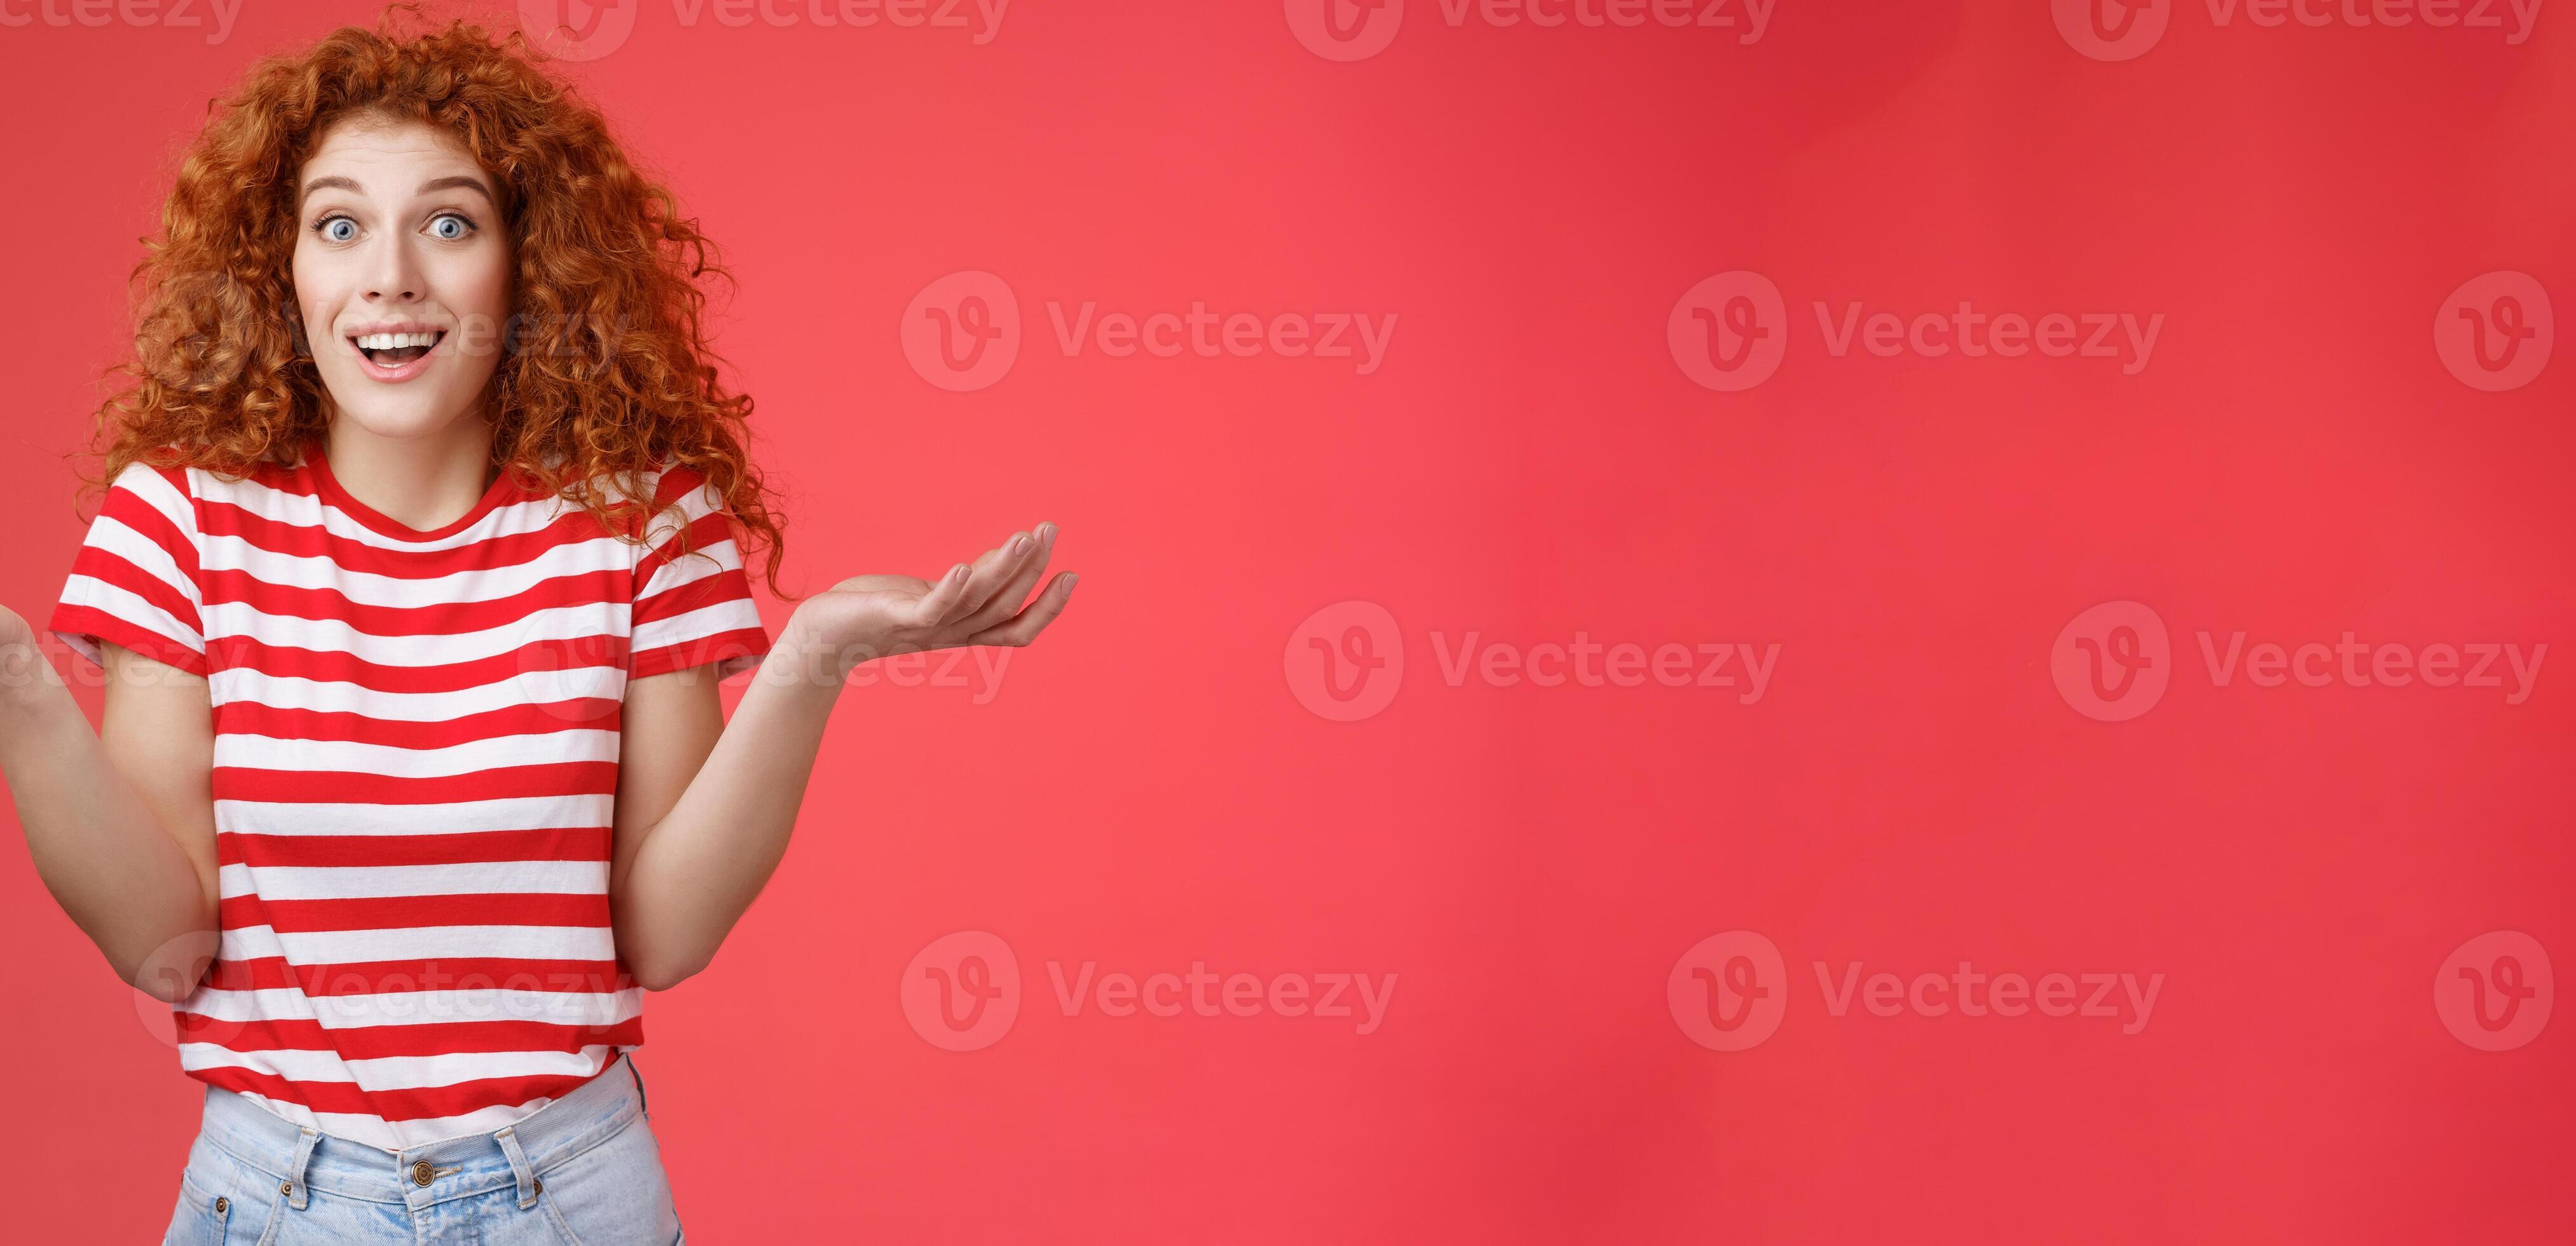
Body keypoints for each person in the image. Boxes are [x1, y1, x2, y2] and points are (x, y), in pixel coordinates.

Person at [0, 13, 1075, 1243]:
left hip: (567, 1198)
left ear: (525, 264)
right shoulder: (182, 519)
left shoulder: (640, 520)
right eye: (339, 224)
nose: (390, 272)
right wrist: (17, 687)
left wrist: (815, 655)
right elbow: (167, 947)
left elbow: (661, 933)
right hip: (275, 1197)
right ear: (278, 266)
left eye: (448, 223)